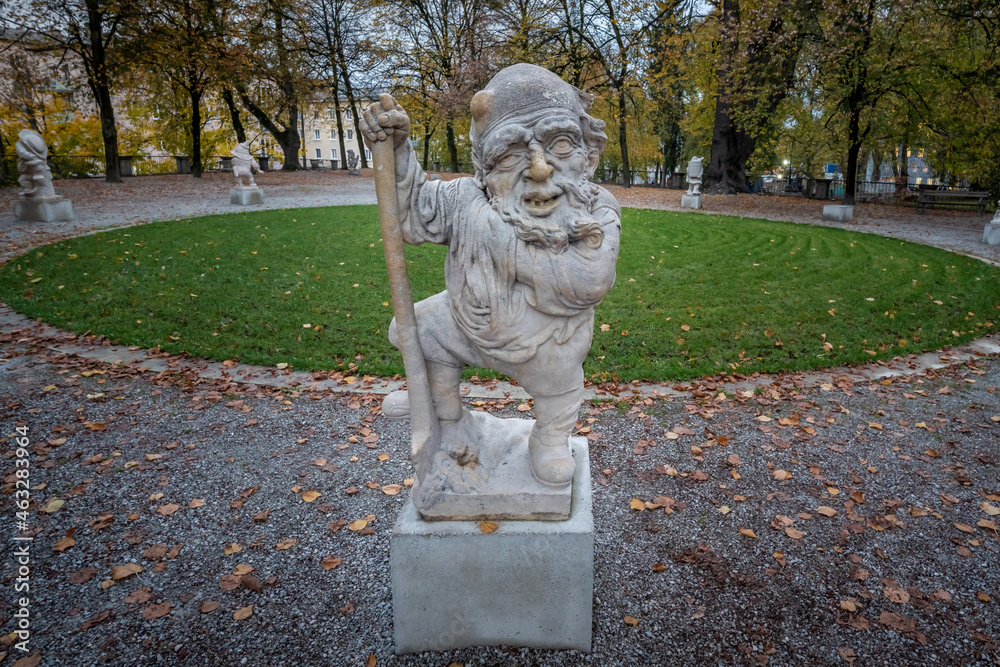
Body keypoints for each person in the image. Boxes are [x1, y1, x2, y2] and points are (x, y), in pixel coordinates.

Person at [361, 64, 620, 486]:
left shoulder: (599, 209)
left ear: (588, 156)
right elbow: (410, 216)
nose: (539, 169)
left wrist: (486, 227)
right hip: (467, 320)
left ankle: (550, 439)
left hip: (549, 339)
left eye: (559, 145)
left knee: (558, 379)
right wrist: (397, 149)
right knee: (414, 330)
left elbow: (586, 282)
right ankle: (447, 417)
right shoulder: (466, 196)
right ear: (485, 169)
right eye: (512, 153)